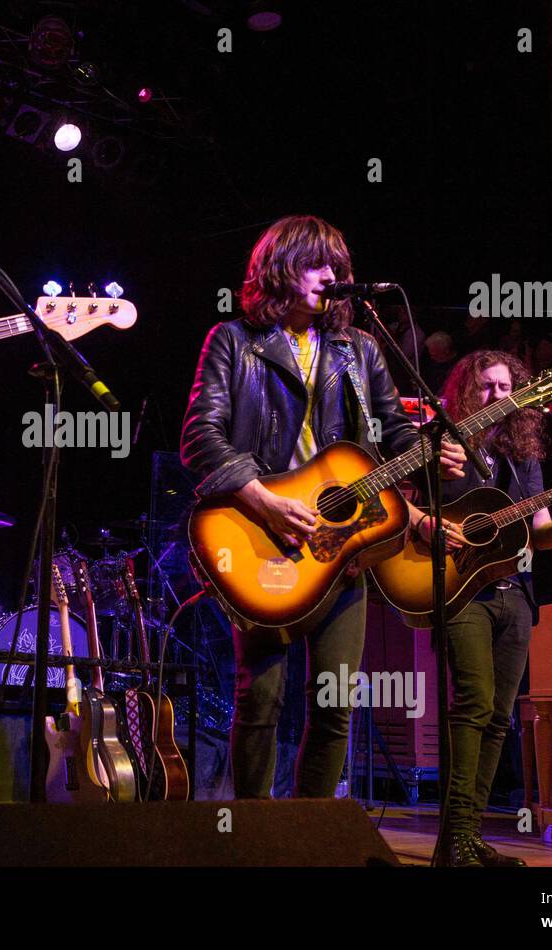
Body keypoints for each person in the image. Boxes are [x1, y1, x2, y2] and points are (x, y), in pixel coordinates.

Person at [180, 214, 465, 800]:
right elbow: (199, 439)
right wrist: (263, 500)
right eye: (316, 263)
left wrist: (431, 455)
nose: (330, 276)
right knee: (260, 698)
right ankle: (250, 835)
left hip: (342, 555)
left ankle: (308, 834)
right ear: (280, 267)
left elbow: (394, 435)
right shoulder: (234, 341)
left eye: (337, 265)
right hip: (263, 537)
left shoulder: (357, 349)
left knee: (335, 704)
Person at [422, 349, 552, 865]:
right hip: (462, 590)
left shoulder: (525, 458)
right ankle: (452, 838)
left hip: (516, 592)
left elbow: (540, 534)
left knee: (499, 717)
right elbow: (410, 505)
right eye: (486, 388)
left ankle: (470, 835)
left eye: (505, 388)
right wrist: (428, 525)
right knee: (472, 703)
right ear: (466, 393)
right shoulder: (442, 446)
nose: (497, 397)